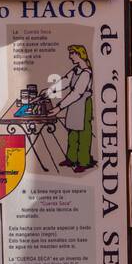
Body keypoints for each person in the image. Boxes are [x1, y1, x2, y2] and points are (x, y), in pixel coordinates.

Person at [56, 44, 96, 172]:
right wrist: (47, 92)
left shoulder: (86, 73)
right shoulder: (75, 70)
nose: (70, 56)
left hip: (83, 105)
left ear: (80, 54)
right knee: (72, 133)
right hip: (73, 105)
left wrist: (59, 107)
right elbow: (64, 82)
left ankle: (84, 162)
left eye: (72, 54)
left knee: (83, 135)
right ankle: (71, 158)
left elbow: (77, 93)